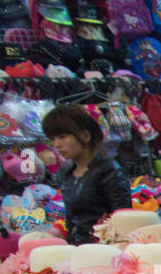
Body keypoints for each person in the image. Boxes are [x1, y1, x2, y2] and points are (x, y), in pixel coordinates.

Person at [41, 105, 131, 245]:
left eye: (63, 137)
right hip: (76, 250)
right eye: (52, 139)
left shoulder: (109, 171)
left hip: (105, 251)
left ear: (85, 136)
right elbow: (70, 220)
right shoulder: (65, 174)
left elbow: (123, 221)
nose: (56, 144)